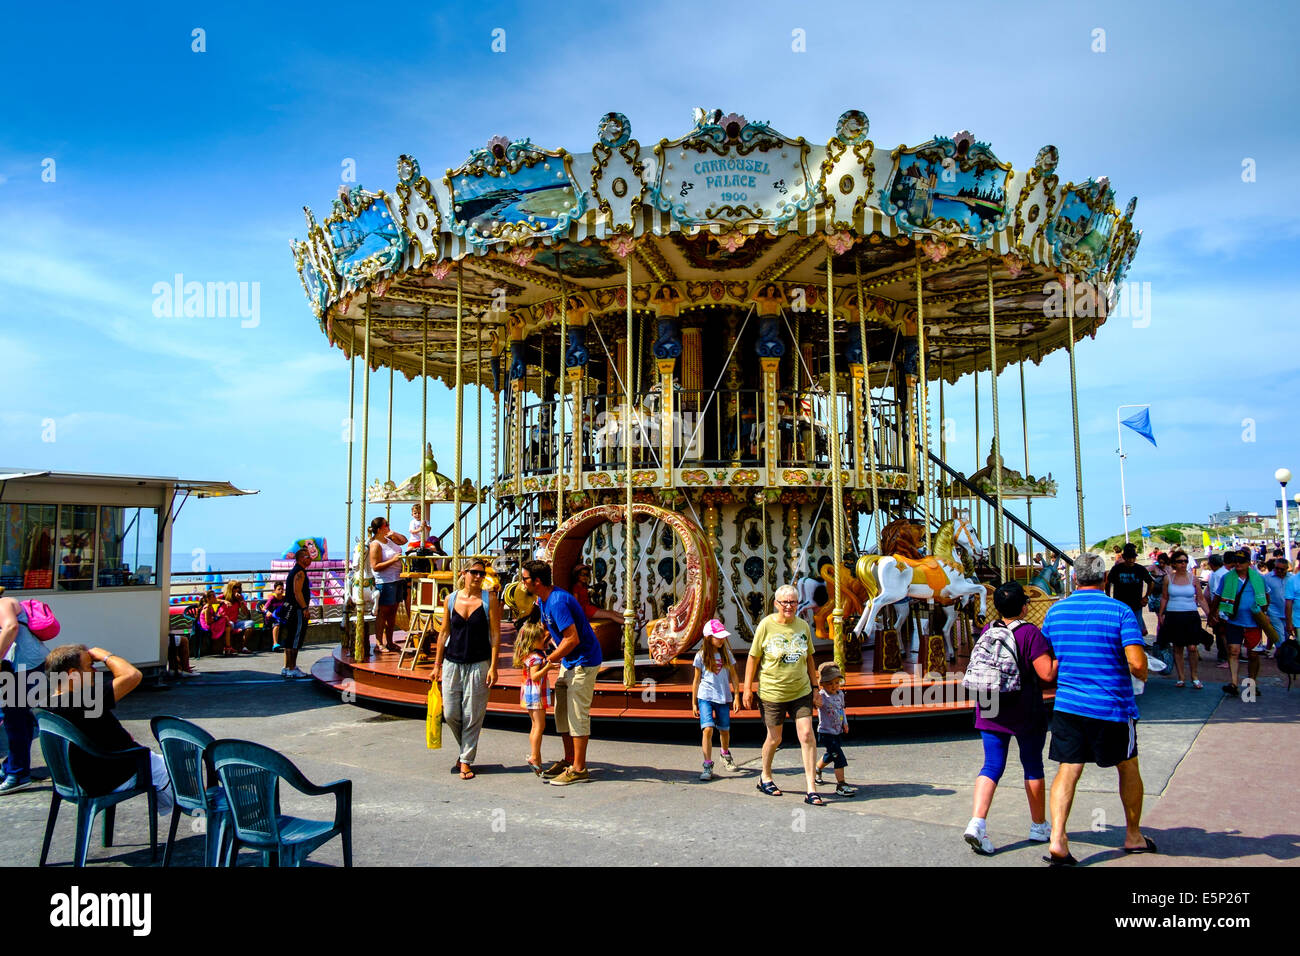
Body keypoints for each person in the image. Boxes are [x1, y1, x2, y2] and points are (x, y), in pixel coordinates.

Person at [1042, 552, 1153, 865]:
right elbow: (1136, 662)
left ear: (1075, 578)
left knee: (1068, 769)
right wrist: (1143, 672)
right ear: (1105, 579)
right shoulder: (1120, 612)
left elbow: (1049, 655)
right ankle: (1133, 835)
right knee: (1128, 765)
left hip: (1068, 704)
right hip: (1112, 705)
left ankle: (1058, 837)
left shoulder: (1056, 612)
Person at [964, 581, 1058, 856]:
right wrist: (1060, 657)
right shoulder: (1030, 633)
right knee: (1032, 765)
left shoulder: (988, 629)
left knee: (991, 764)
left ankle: (977, 822)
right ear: (1025, 607)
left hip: (990, 703)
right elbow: (1046, 674)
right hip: (1023, 705)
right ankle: (1039, 826)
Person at [44, 644, 174, 817]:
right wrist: (106, 656)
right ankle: (208, 810)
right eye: (90, 667)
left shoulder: (47, 705)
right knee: (178, 767)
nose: (96, 673)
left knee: (166, 764)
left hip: (81, 779)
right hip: (110, 776)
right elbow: (133, 675)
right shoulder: (82, 700)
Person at [519, 559, 602, 786]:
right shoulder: (543, 600)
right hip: (569, 659)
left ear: (537, 581)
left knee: (577, 714)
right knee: (562, 712)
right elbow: (550, 629)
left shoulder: (557, 602)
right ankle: (569, 759)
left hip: (583, 661)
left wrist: (547, 660)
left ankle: (579, 768)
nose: (522, 582)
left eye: (524, 578)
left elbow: (572, 638)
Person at [743, 584, 823, 805]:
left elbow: (809, 658)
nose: (789, 606)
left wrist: (816, 688)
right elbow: (753, 657)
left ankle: (810, 787)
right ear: (776, 604)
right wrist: (747, 688)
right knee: (775, 738)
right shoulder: (766, 626)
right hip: (773, 692)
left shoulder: (803, 626)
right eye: (785, 602)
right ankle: (765, 775)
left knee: (806, 734)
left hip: (801, 690)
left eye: (793, 602)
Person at [434, 559, 500, 780]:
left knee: (473, 714)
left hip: (479, 662)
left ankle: (465, 760)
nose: (479, 577)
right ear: (464, 573)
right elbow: (443, 633)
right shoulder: (450, 599)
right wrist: (437, 664)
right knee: (451, 713)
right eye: (475, 573)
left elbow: (495, 634)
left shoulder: (489, 599)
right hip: (452, 662)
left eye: (482, 573)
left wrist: (494, 666)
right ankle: (465, 751)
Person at [0, 588, 50, 794]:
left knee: (15, 720)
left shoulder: (3, 603)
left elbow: (11, 628)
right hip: (26, 665)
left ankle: (18, 774)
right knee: (20, 719)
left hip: (22, 667)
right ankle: (14, 767)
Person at [1209, 549, 1269, 697]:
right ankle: (1234, 683)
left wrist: (1263, 613)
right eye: (1236, 561)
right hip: (1234, 621)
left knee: (1253, 655)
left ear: (1249, 563)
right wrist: (1212, 613)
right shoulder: (1227, 578)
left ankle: (1251, 683)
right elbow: (1217, 596)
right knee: (1233, 651)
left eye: (1241, 561)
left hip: (1253, 623)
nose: (1238, 564)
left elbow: (1266, 596)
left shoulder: (1258, 578)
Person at [691, 618, 741, 781]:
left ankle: (725, 753)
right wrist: (693, 702)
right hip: (705, 696)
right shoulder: (701, 656)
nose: (721, 640)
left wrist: (737, 696)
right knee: (707, 729)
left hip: (722, 696)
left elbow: (733, 676)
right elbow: (697, 679)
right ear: (708, 638)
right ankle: (707, 763)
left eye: (722, 637)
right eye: (718, 637)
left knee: (724, 729)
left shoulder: (726, 655)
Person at [1157, 550, 1212, 689]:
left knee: (1192, 647)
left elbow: (1200, 598)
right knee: (1177, 647)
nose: (1183, 564)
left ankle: (1194, 676)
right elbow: (1164, 597)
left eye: (1185, 561)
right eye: (1180, 561)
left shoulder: (1193, 579)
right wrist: (1161, 614)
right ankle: (1181, 677)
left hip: (1191, 615)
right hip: (1173, 615)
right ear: (1174, 564)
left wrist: (1210, 614)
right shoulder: (1168, 578)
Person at [512, 617, 554, 776]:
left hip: (529, 693)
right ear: (532, 641)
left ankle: (537, 757)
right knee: (539, 726)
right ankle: (535, 757)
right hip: (536, 693)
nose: (544, 640)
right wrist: (548, 667)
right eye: (540, 638)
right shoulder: (536, 658)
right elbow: (535, 676)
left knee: (535, 725)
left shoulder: (529, 655)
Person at [813, 662, 856, 797]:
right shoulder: (822, 696)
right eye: (830, 683)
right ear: (823, 684)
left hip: (837, 731)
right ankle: (841, 784)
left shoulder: (840, 694)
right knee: (839, 757)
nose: (834, 686)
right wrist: (815, 700)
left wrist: (845, 723)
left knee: (832, 754)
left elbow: (841, 710)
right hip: (826, 733)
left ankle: (818, 768)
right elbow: (816, 704)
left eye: (837, 682)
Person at [367, 516, 408, 654]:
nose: (389, 526)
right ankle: (379, 642)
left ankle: (390, 641)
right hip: (385, 581)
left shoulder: (389, 540)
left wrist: (394, 533)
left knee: (393, 612)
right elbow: (375, 566)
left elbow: (404, 541)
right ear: (380, 529)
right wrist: (393, 560)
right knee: (383, 613)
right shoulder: (375, 544)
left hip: (397, 579)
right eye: (387, 524)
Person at [1105, 543, 1153, 636]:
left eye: (1133, 558)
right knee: (1119, 629)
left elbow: (1151, 582)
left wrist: (1146, 597)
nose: (1131, 560)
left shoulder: (1140, 569)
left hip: (1136, 605)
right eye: (1128, 557)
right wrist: (1108, 597)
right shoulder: (1117, 569)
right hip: (1120, 605)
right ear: (1124, 557)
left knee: (1136, 630)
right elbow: (1108, 583)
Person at [281, 547, 312, 678]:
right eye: (307, 556)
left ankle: (287, 667)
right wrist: (305, 608)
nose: (310, 559)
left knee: (290, 638)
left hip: (290, 608)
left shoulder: (295, 571)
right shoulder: (300, 572)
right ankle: (292, 668)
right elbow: (297, 592)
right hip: (297, 609)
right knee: (295, 639)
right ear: (301, 559)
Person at [1262, 558, 1291, 654]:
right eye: (1276, 568)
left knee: (1286, 636)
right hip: (1273, 611)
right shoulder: (1267, 578)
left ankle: (1279, 654)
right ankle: (1284, 657)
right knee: (1280, 636)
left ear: (1287, 569)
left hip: (1287, 613)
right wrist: (1265, 612)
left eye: (1282, 569)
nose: (1279, 571)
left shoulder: (1291, 578)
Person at [200, 588, 239, 656]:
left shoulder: (210, 606)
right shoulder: (207, 608)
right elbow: (208, 621)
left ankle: (228, 646)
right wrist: (217, 617)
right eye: (214, 596)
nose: (216, 598)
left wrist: (218, 616)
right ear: (208, 599)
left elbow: (217, 603)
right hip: (208, 626)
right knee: (224, 619)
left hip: (211, 623)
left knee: (226, 624)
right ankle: (231, 632)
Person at [221, 582, 254, 654]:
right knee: (230, 624)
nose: (237, 589)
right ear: (230, 588)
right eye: (235, 587)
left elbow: (245, 613)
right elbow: (212, 600)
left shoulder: (239, 598)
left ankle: (242, 646)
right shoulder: (223, 596)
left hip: (234, 622)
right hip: (225, 623)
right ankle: (229, 647)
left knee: (250, 623)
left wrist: (241, 601)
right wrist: (224, 601)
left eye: (239, 587)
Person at [262, 582, 286, 651]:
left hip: (281, 617)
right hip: (271, 618)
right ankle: (275, 644)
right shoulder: (272, 598)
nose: (281, 590)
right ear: (274, 590)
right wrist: (267, 612)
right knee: (277, 624)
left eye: (282, 589)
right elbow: (264, 608)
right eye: (279, 589)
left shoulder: (284, 598)